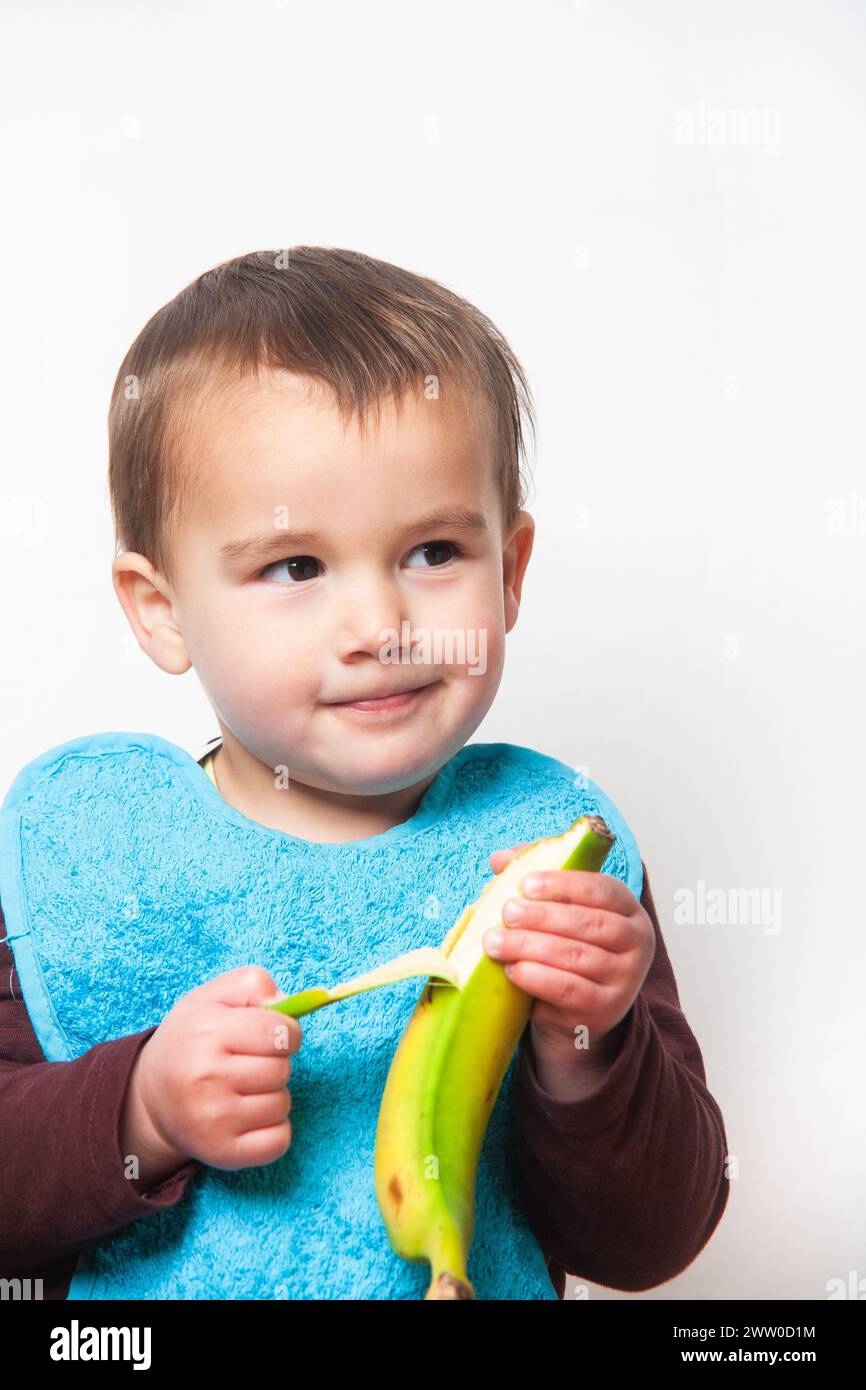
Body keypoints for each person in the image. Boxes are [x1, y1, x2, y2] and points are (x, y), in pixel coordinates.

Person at [0, 246, 729, 1299]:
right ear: (160, 608)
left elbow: (647, 1242)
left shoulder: (552, 860)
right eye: (294, 567)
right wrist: (137, 1116)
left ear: (510, 570)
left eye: (432, 552)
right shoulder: (97, 856)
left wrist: (588, 1043)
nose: (381, 627)